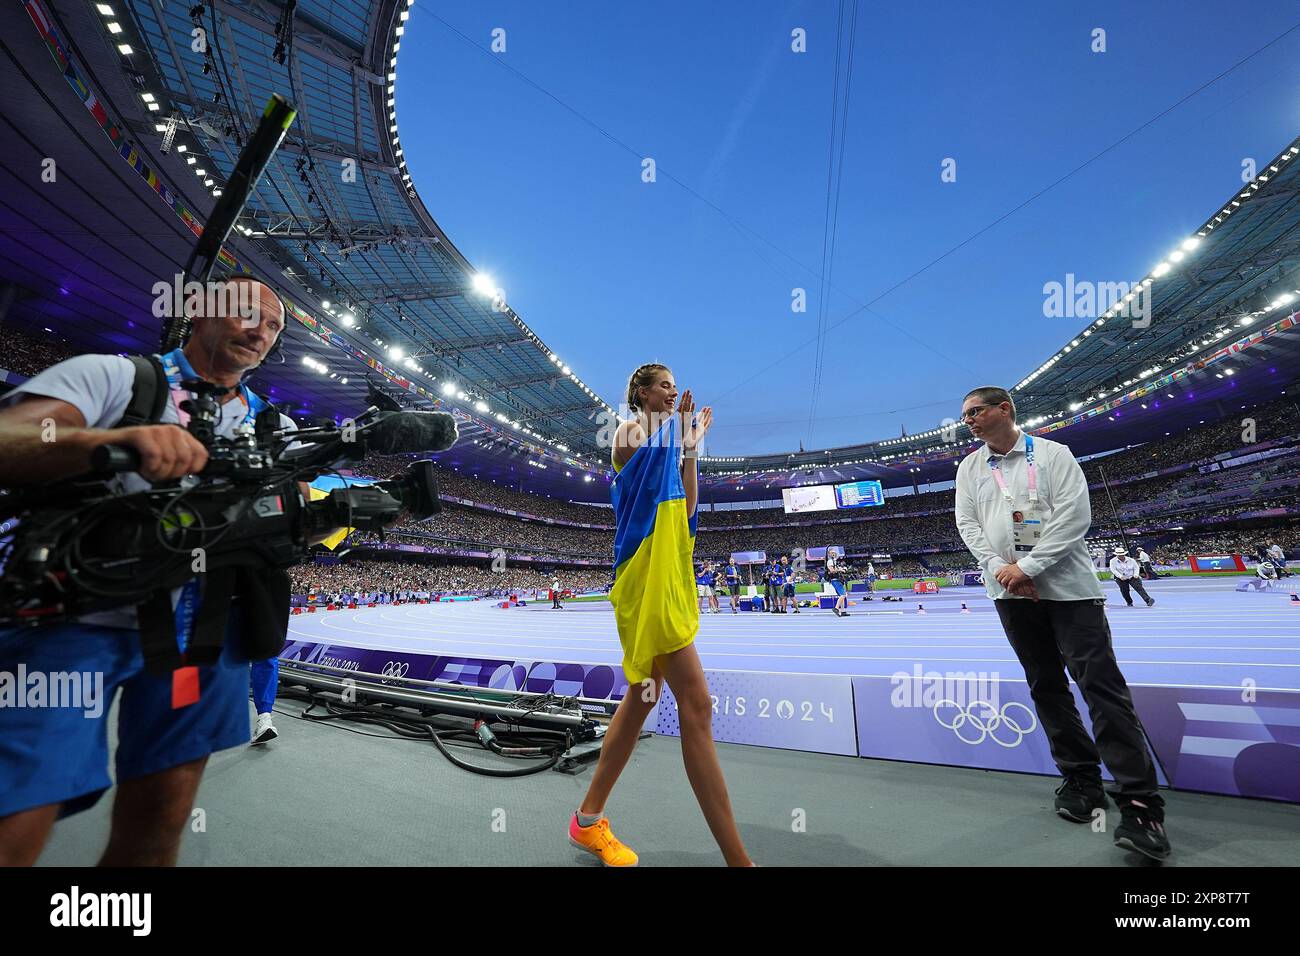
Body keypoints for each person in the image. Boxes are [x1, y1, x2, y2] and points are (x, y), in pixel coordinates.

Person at [0, 276, 342, 865]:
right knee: (18, 807)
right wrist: (112, 442)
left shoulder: (276, 430)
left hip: (201, 639)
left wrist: (332, 517)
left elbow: (279, 531)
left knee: (160, 823)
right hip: (73, 621)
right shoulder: (115, 378)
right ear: (197, 309)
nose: (261, 332)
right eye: (246, 315)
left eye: (274, 328)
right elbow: (9, 437)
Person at [954, 386, 1170, 861]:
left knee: (1101, 689)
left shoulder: (1053, 454)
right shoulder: (969, 468)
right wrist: (1001, 570)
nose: (969, 420)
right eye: (965, 415)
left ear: (1004, 409)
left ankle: (1140, 804)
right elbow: (967, 524)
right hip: (1009, 594)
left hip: (1069, 590)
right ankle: (1080, 779)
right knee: (1046, 687)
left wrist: (1027, 568)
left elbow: (1075, 516)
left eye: (976, 411)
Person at [570, 364, 752, 867]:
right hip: (643, 581)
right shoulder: (628, 435)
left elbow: (689, 505)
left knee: (642, 697)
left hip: (668, 577)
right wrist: (684, 433)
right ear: (641, 393)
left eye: (675, 386)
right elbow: (649, 452)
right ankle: (740, 861)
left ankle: (587, 820)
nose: (674, 391)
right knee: (696, 705)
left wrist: (693, 448)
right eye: (665, 385)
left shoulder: (669, 449)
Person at [827, 551, 849, 618]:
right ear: (829, 554)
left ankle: (842, 611)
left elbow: (837, 569)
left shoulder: (834, 561)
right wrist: (841, 570)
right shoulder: (830, 561)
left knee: (841, 596)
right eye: (832, 553)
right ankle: (836, 608)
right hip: (835, 580)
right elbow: (832, 570)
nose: (833, 554)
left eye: (834, 553)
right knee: (843, 595)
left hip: (838, 579)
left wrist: (843, 569)